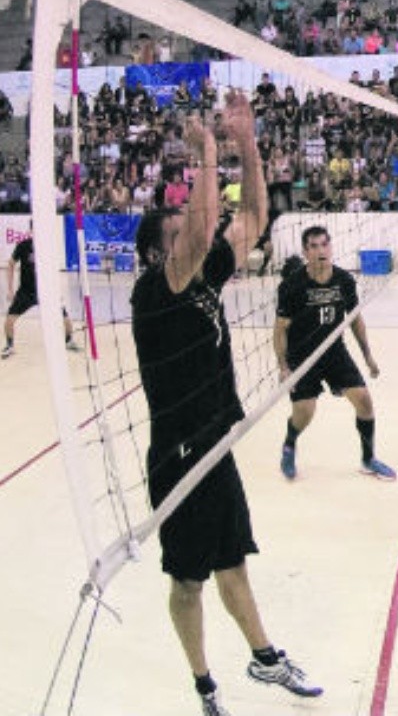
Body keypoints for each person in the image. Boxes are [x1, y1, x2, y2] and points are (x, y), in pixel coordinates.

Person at [130, 96, 321, 716]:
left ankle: (263, 659)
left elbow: (255, 217)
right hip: (178, 457)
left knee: (233, 561)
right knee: (187, 580)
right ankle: (205, 684)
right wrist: (208, 153)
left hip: (215, 444)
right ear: (160, 251)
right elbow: (207, 222)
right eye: (182, 230)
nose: (199, 232)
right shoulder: (154, 292)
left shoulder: (205, 275)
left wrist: (246, 142)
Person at [274, 226, 396, 483]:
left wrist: (368, 356)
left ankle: (368, 458)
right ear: (306, 252)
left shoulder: (343, 280)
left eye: (324, 245)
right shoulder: (292, 285)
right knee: (305, 413)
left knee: (364, 401)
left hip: (333, 351)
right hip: (302, 356)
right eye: (314, 246)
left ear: (331, 247)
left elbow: (354, 320)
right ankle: (289, 445)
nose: (321, 251)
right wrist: (283, 366)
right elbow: (280, 330)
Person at [4, 234, 80, 358]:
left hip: (47, 292)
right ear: (31, 230)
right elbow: (11, 264)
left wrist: (56, 290)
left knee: (66, 319)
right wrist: (10, 289)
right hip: (26, 292)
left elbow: (52, 269)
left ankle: (69, 341)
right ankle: (9, 346)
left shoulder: (47, 246)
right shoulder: (23, 245)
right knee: (9, 320)